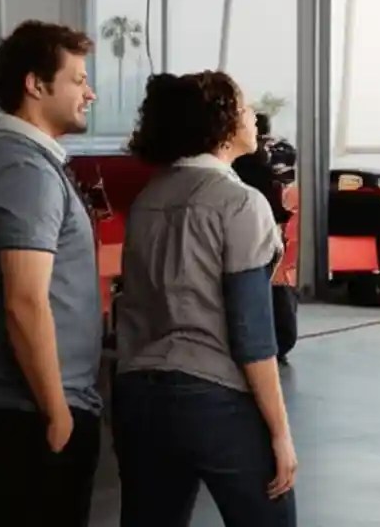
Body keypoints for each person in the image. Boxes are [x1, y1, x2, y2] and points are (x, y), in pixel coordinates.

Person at [112, 70, 298, 527]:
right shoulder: (241, 203)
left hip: (138, 397)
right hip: (212, 398)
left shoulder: (147, 200)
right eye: (244, 106)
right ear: (221, 124)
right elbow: (252, 333)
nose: (253, 116)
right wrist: (280, 432)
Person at [0, 20, 102, 527]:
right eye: (78, 80)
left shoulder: (14, 160)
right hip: (27, 408)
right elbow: (25, 301)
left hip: (21, 404)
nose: (90, 93)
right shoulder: (23, 170)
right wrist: (57, 412)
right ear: (35, 84)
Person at [232, 112, 300, 364]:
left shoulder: (240, 160)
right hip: (270, 226)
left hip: (246, 228)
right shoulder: (276, 154)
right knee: (274, 283)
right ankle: (277, 340)